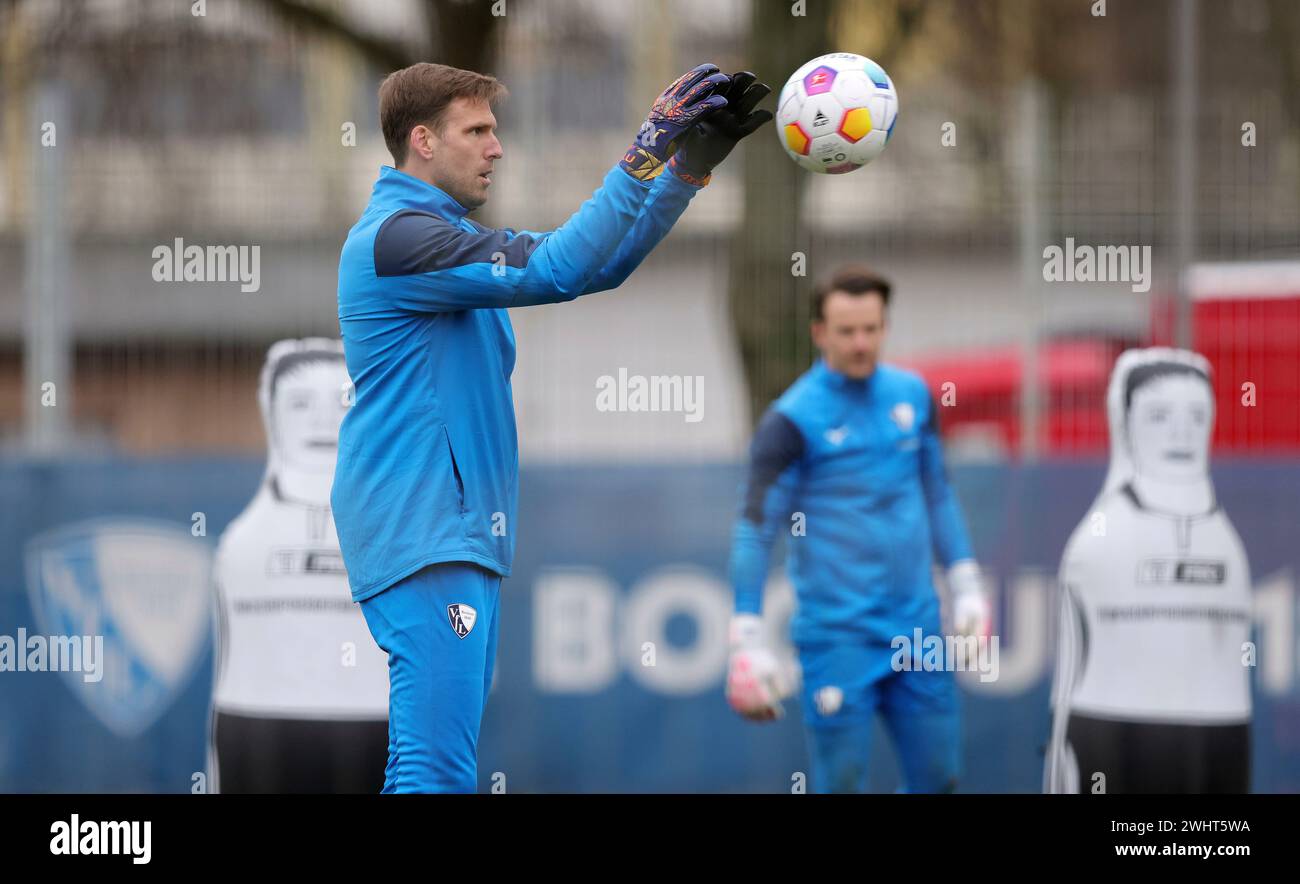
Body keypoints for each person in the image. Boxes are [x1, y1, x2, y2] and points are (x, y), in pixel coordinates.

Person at [332, 61, 772, 792]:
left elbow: (594, 267)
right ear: (423, 143)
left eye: (494, 131)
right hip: (423, 528)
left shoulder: (435, 236)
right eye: (476, 130)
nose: (496, 148)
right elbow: (562, 268)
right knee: (433, 771)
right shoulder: (400, 237)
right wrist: (643, 154)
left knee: (429, 765)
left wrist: (686, 170)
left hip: (449, 533)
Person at [725, 264, 990, 793]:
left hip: (919, 630)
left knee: (942, 781)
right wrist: (746, 637)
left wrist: (966, 583)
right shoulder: (792, 420)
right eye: (847, 331)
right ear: (819, 332)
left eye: (872, 328)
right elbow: (755, 529)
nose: (862, 343)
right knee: (841, 784)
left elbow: (937, 492)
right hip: (838, 638)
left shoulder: (912, 396)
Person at [1044, 348, 1253, 794]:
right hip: (1112, 730)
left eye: (1197, 416)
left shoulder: (1226, 544)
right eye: (1159, 415)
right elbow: (1068, 683)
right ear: (1125, 422)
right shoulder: (1098, 537)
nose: (1181, 432)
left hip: (1221, 734)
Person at [211, 338, 389, 793]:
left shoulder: (397, 527)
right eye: (300, 403)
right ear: (271, 413)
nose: (322, 420)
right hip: (258, 729)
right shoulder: (241, 541)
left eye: (343, 401)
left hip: (376, 726)